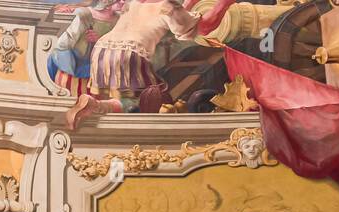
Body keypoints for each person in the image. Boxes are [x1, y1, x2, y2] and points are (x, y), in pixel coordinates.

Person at [65, 0, 240, 127]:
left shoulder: (135, 2)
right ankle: (96, 105)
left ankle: (96, 105)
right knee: (144, 102)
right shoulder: (169, 7)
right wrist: (225, 4)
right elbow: (204, 27)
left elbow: (178, 15)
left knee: (116, 95)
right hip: (131, 53)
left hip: (102, 48)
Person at [47, 0, 124, 95]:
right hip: (75, 72)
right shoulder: (83, 15)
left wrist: (100, 41)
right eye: (118, 0)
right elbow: (62, 46)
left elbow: (122, 49)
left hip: (102, 72)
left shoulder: (120, 20)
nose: (123, 1)